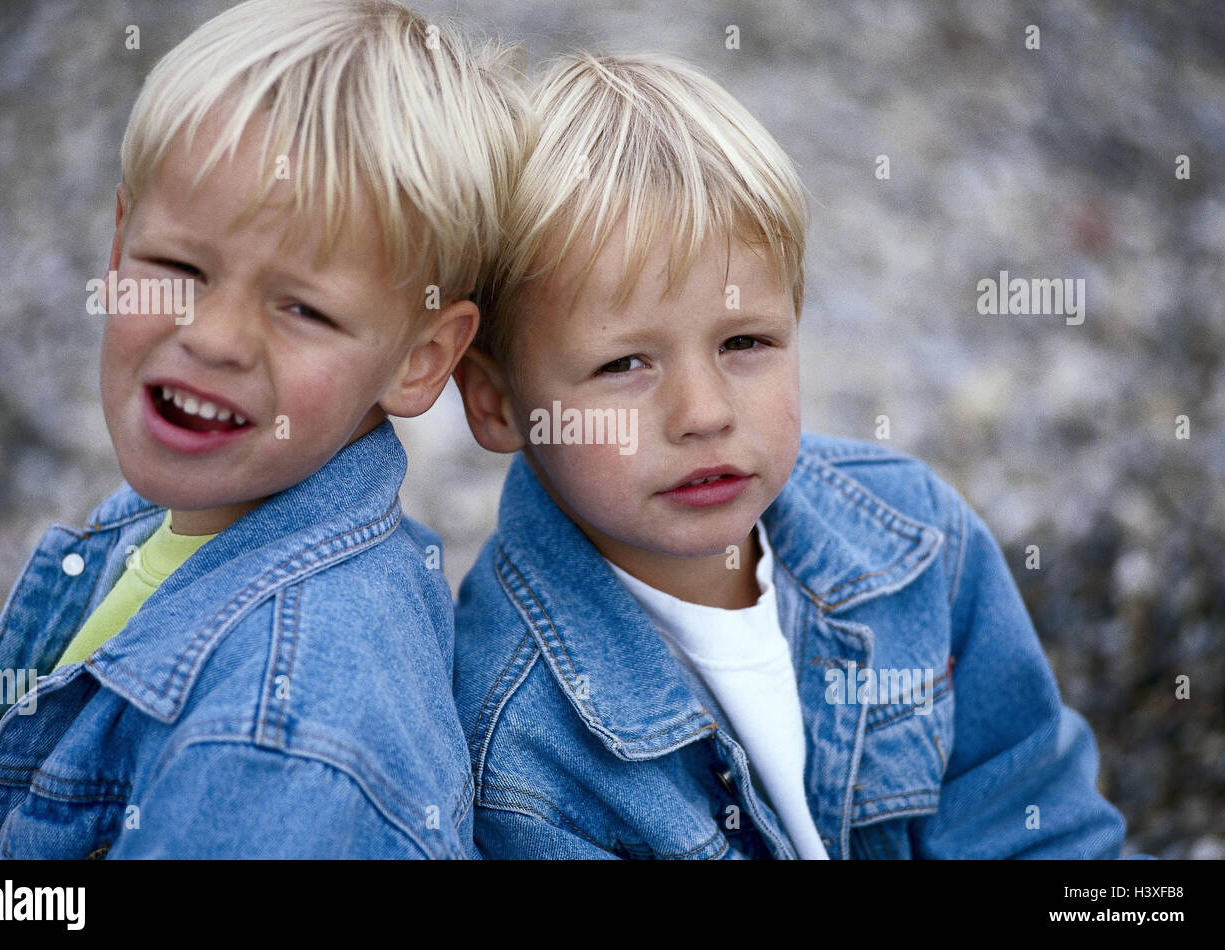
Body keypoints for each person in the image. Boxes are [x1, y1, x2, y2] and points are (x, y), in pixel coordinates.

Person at [451, 51, 1130, 858]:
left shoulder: (915, 543)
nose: (703, 414)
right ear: (495, 403)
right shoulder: (520, 740)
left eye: (745, 342)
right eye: (624, 364)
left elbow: (1044, 830)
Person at [0, 0, 527, 859]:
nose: (213, 336)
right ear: (118, 246)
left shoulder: (284, 730)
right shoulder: (161, 522)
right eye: (178, 266)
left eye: (302, 308)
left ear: (422, 359)